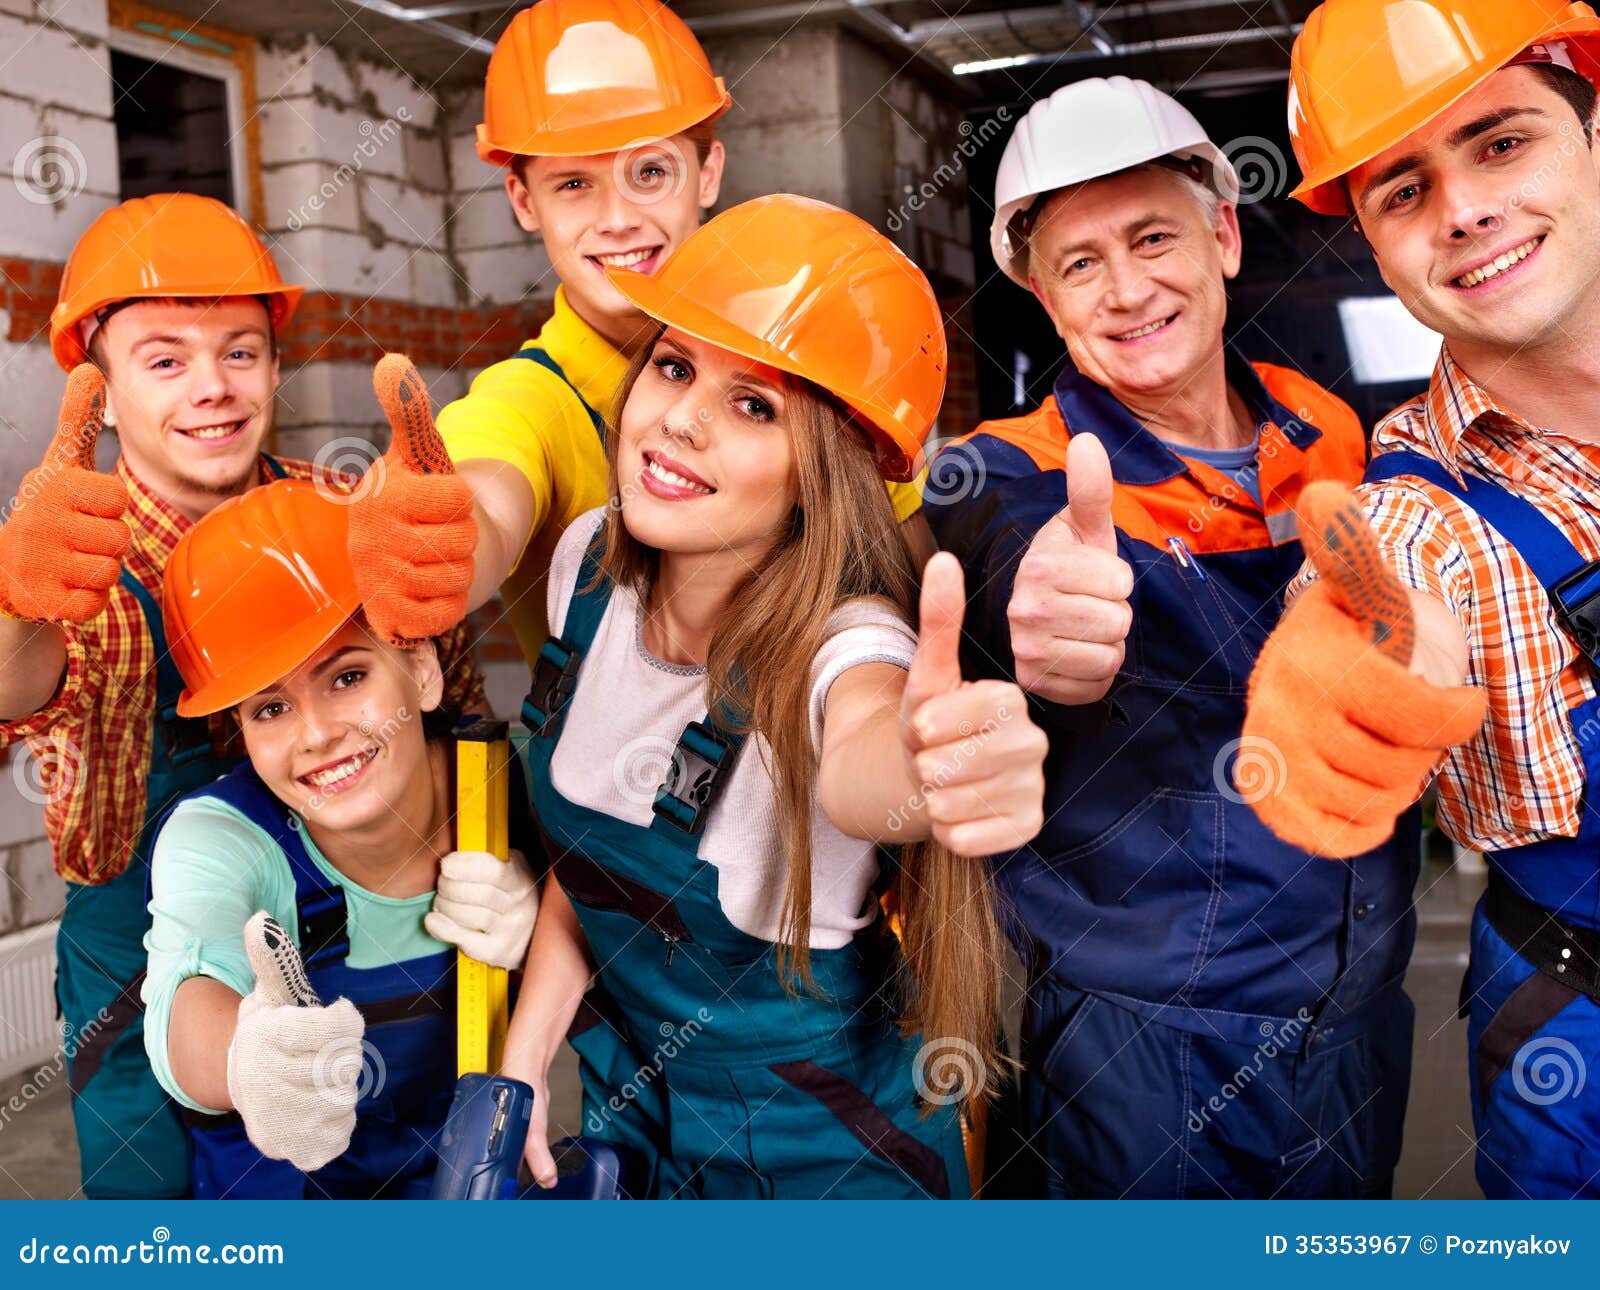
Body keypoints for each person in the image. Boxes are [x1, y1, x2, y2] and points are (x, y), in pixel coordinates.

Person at [924, 77, 1416, 1198]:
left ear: (1224, 235)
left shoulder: (1324, 427)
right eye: (1080, 264)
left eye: (1152, 237)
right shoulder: (1008, 475)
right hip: (1136, 1066)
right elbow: (996, 575)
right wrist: (1035, 629)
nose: (1126, 289)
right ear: (1045, 302)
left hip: (1357, 1021)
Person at [501, 194, 1047, 1199]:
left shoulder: (846, 646)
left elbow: (866, 766)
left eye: (753, 406)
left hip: (827, 1163)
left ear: (820, 476)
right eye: (672, 366)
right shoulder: (585, 571)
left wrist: (932, 776)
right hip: (636, 1128)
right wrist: (525, 1060)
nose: (680, 420)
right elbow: (595, 869)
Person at [0, 195, 486, 1198]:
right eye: (165, 359)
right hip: (135, 956)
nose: (213, 390)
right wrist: (16, 606)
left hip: (354, 929)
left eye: (241, 351)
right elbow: (14, 687)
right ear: (100, 380)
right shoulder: (71, 547)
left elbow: (454, 717)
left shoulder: (340, 516)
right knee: (158, 1231)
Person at [1244, 0, 1600, 1199]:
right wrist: (1343, 684)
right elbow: (1371, 603)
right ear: (1373, 243)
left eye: (1501, 142)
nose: (1462, 210)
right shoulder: (1417, 507)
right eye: (1401, 189)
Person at [348, 0, 928, 666]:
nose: (619, 218)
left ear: (706, 174)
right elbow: (485, 492)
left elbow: (917, 593)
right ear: (522, 200)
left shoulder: (817, 349)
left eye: (650, 172)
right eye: (573, 184)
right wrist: (437, 542)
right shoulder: (528, 401)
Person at [145, 379, 539, 1199]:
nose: (316, 734)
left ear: (424, 668)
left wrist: (550, 914)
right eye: (272, 707)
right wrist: (246, 1057)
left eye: (348, 676)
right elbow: (187, 1008)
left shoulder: (501, 793)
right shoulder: (218, 837)